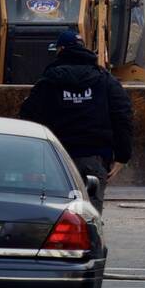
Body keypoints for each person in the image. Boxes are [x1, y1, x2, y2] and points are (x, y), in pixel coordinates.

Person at [18, 30, 132, 212]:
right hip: (93, 160)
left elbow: (28, 117)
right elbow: (122, 115)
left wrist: (28, 158)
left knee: (56, 216)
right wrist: (122, 156)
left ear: (60, 49)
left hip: (55, 162)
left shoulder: (48, 82)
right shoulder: (105, 81)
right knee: (89, 217)